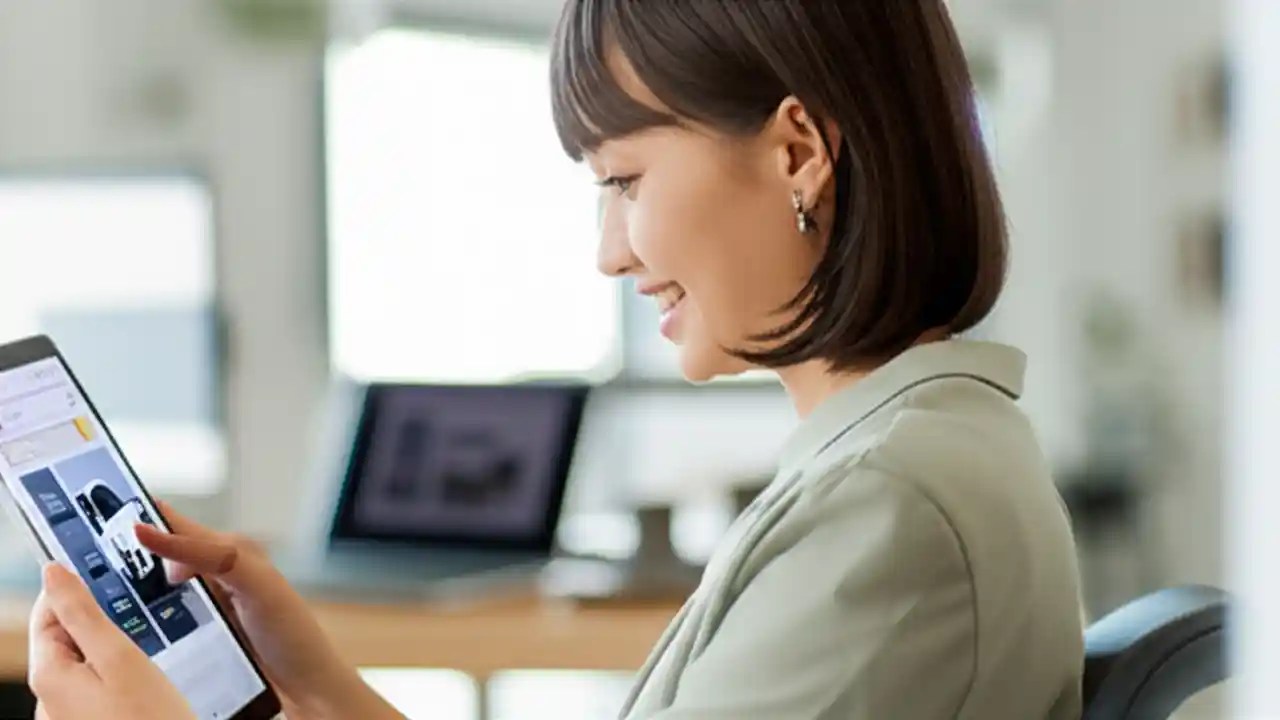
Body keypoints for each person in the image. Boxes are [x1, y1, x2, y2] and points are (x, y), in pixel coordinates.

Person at [26, 1, 1085, 718]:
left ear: (796, 152)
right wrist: (327, 691)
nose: (608, 252)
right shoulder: (908, 458)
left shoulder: (890, 506)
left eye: (623, 180)